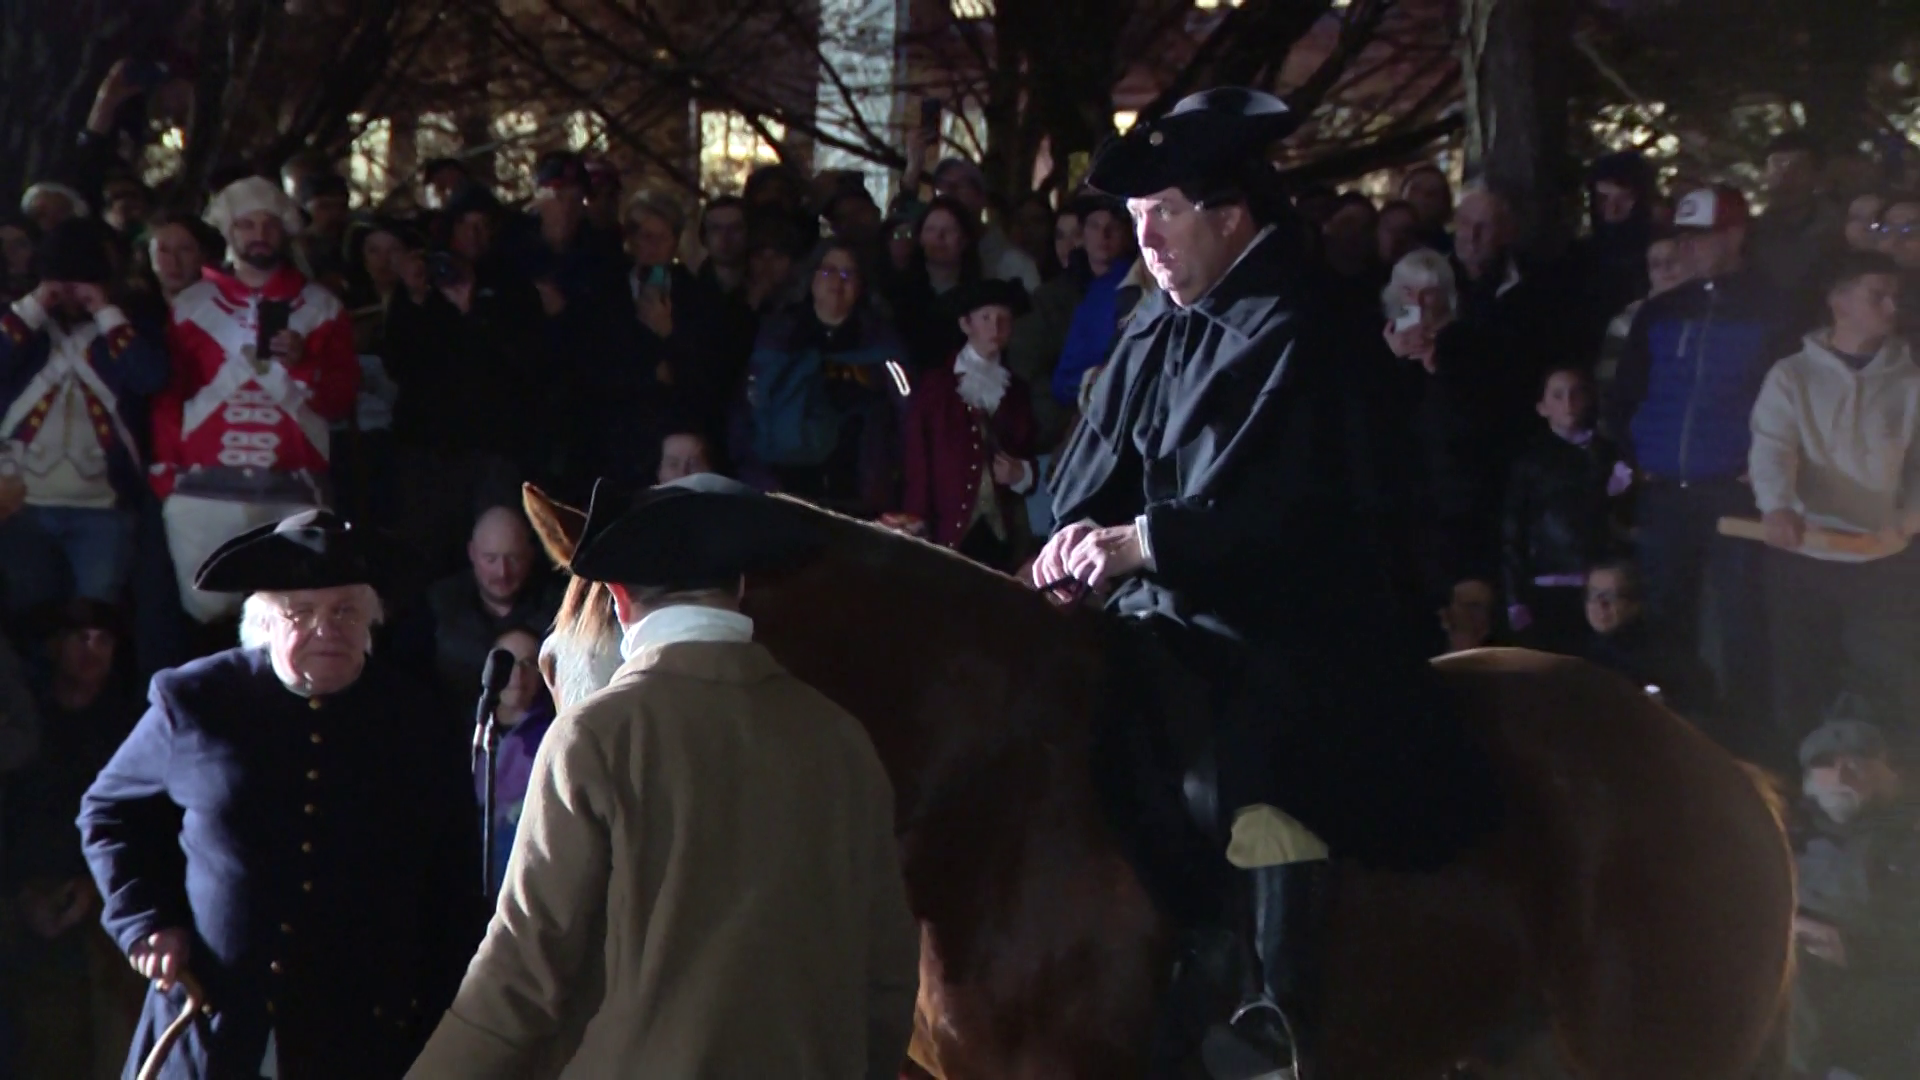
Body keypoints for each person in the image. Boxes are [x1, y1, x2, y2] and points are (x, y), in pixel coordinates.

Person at [1030, 88, 1501, 1076]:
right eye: (1134, 219)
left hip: (1287, 617)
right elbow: (1096, 466)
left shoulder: (1302, 324)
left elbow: (1290, 516)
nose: (1144, 241)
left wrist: (1139, 546)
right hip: (1160, 608)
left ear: (1232, 215)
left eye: (1164, 215)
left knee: (1227, 773)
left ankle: (1269, 1011)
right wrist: (1067, 536)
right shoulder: (1160, 318)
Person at [406, 475, 920, 1078]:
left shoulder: (595, 737)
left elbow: (524, 972)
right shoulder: (841, 738)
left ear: (619, 600)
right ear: (740, 589)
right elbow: (886, 975)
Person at [78, 510, 478, 1079]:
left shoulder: (417, 720)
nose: (327, 629)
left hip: (363, 1037)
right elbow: (109, 812)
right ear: (264, 623)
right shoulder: (195, 701)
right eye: (302, 613)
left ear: (371, 621)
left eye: (345, 611)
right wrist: (145, 919)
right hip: (215, 1023)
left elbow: (452, 878)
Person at [1606, 185, 1784, 731]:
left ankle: (1747, 742)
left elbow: (1785, 399)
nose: (1687, 248)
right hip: (1664, 491)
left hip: (1735, 491)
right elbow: (1626, 391)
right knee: (1665, 616)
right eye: (1682, 236)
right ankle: (1675, 729)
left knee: (1740, 621)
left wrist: (1764, 466)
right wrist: (1632, 456)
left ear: (1735, 235)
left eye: (1700, 236)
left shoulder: (1776, 306)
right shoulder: (1660, 310)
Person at [149, 177, 360, 625]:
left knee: (292, 626)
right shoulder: (191, 307)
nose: (259, 233)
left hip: (293, 492)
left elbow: (340, 400)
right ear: (229, 231)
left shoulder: (322, 308)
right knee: (204, 624)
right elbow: (169, 397)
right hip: (203, 494)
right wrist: (167, 477)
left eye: (269, 223)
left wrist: (304, 364)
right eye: (247, 224)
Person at [1749, 252, 1920, 748]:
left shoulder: (1911, 382)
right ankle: (1799, 798)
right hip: (1806, 553)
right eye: (1877, 294)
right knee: (1800, 680)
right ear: (1839, 301)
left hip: (1882, 558)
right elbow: (1773, 446)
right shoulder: (1792, 376)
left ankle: (1886, 800)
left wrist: (1907, 522)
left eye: (1894, 295)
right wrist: (1777, 506)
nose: (1891, 306)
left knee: (1889, 678)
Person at [0, 599, 143, 1079]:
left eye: (104, 640)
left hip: (106, 892)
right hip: (25, 887)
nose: (92, 651)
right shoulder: (29, 727)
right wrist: (24, 892)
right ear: (55, 646)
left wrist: (91, 886)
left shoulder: (132, 725)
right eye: (81, 638)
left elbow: (144, 824)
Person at [0, 218, 169, 614]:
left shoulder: (128, 327)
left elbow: (149, 378)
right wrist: (34, 307)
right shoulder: (22, 326)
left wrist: (105, 311)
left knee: (96, 620)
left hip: (103, 512)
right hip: (20, 506)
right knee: (28, 617)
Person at [1788, 701, 1920, 1078]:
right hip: (1795, 972)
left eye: (1859, 759)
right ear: (1809, 781)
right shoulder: (1786, 841)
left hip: (1883, 990)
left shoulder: (1909, 840)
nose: (1843, 773)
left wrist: (1855, 948)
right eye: (1826, 762)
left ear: (1888, 771)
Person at [742, 239, 909, 518]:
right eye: (828, 270)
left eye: (848, 273)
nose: (837, 282)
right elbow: (749, 409)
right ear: (811, 278)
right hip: (784, 492)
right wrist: (758, 480)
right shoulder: (777, 339)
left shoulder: (884, 346)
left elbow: (908, 416)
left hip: (860, 498)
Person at [898, 278, 1038, 569]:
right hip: (948, 530)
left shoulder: (1018, 392)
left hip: (1003, 534)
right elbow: (918, 461)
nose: (995, 328)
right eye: (986, 318)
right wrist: (916, 518)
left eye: (1003, 320)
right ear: (966, 324)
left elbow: (1028, 451)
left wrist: (1021, 473)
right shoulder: (935, 387)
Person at [1501, 366, 1629, 653]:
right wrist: (1514, 597)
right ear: (1542, 407)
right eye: (1558, 396)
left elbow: (1620, 519)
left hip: (1598, 585)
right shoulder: (1531, 462)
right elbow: (1512, 531)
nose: (1569, 403)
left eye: (1577, 393)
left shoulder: (1608, 454)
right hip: (1548, 586)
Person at [428, 505, 564, 705]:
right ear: (472, 553)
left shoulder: (558, 610)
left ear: (530, 554)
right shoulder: (439, 606)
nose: (503, 572)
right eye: (491, 559)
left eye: (514, 558)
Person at [472, 628, 555, 898]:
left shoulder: (555, 735)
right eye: (508, 662)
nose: (518, 675)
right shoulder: (470, 732)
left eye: (529, 663)